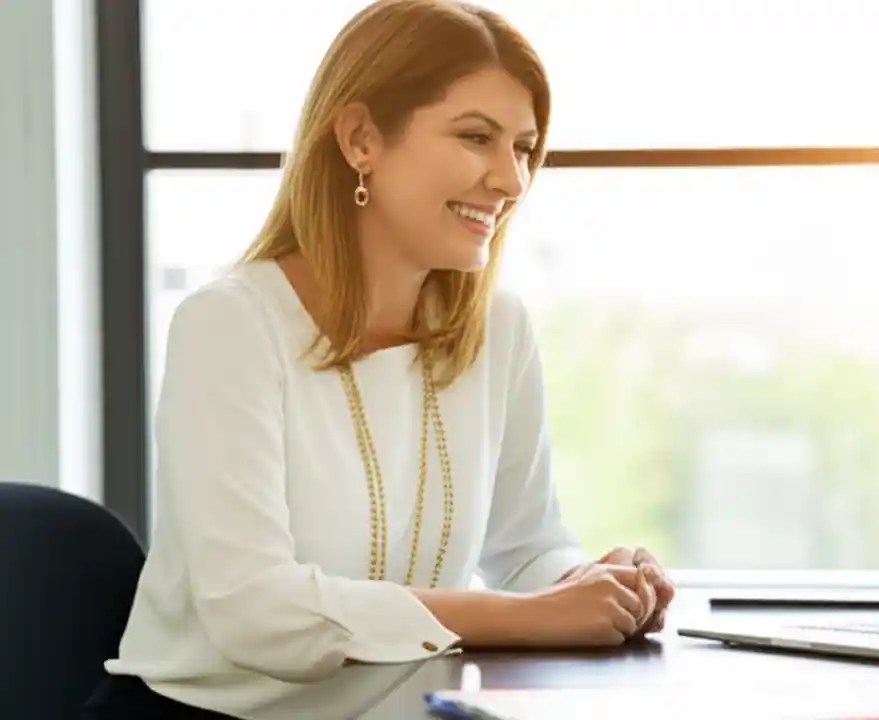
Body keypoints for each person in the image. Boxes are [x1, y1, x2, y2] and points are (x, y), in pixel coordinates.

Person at [82, 1, 675, 718]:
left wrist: (597, 585)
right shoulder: (230, 325)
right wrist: (534, 615)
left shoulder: (498, 328)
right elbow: (255, 614)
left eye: (523, 147)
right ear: (361, 139)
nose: (512, 180)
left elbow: (526, 550)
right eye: (475, 137)